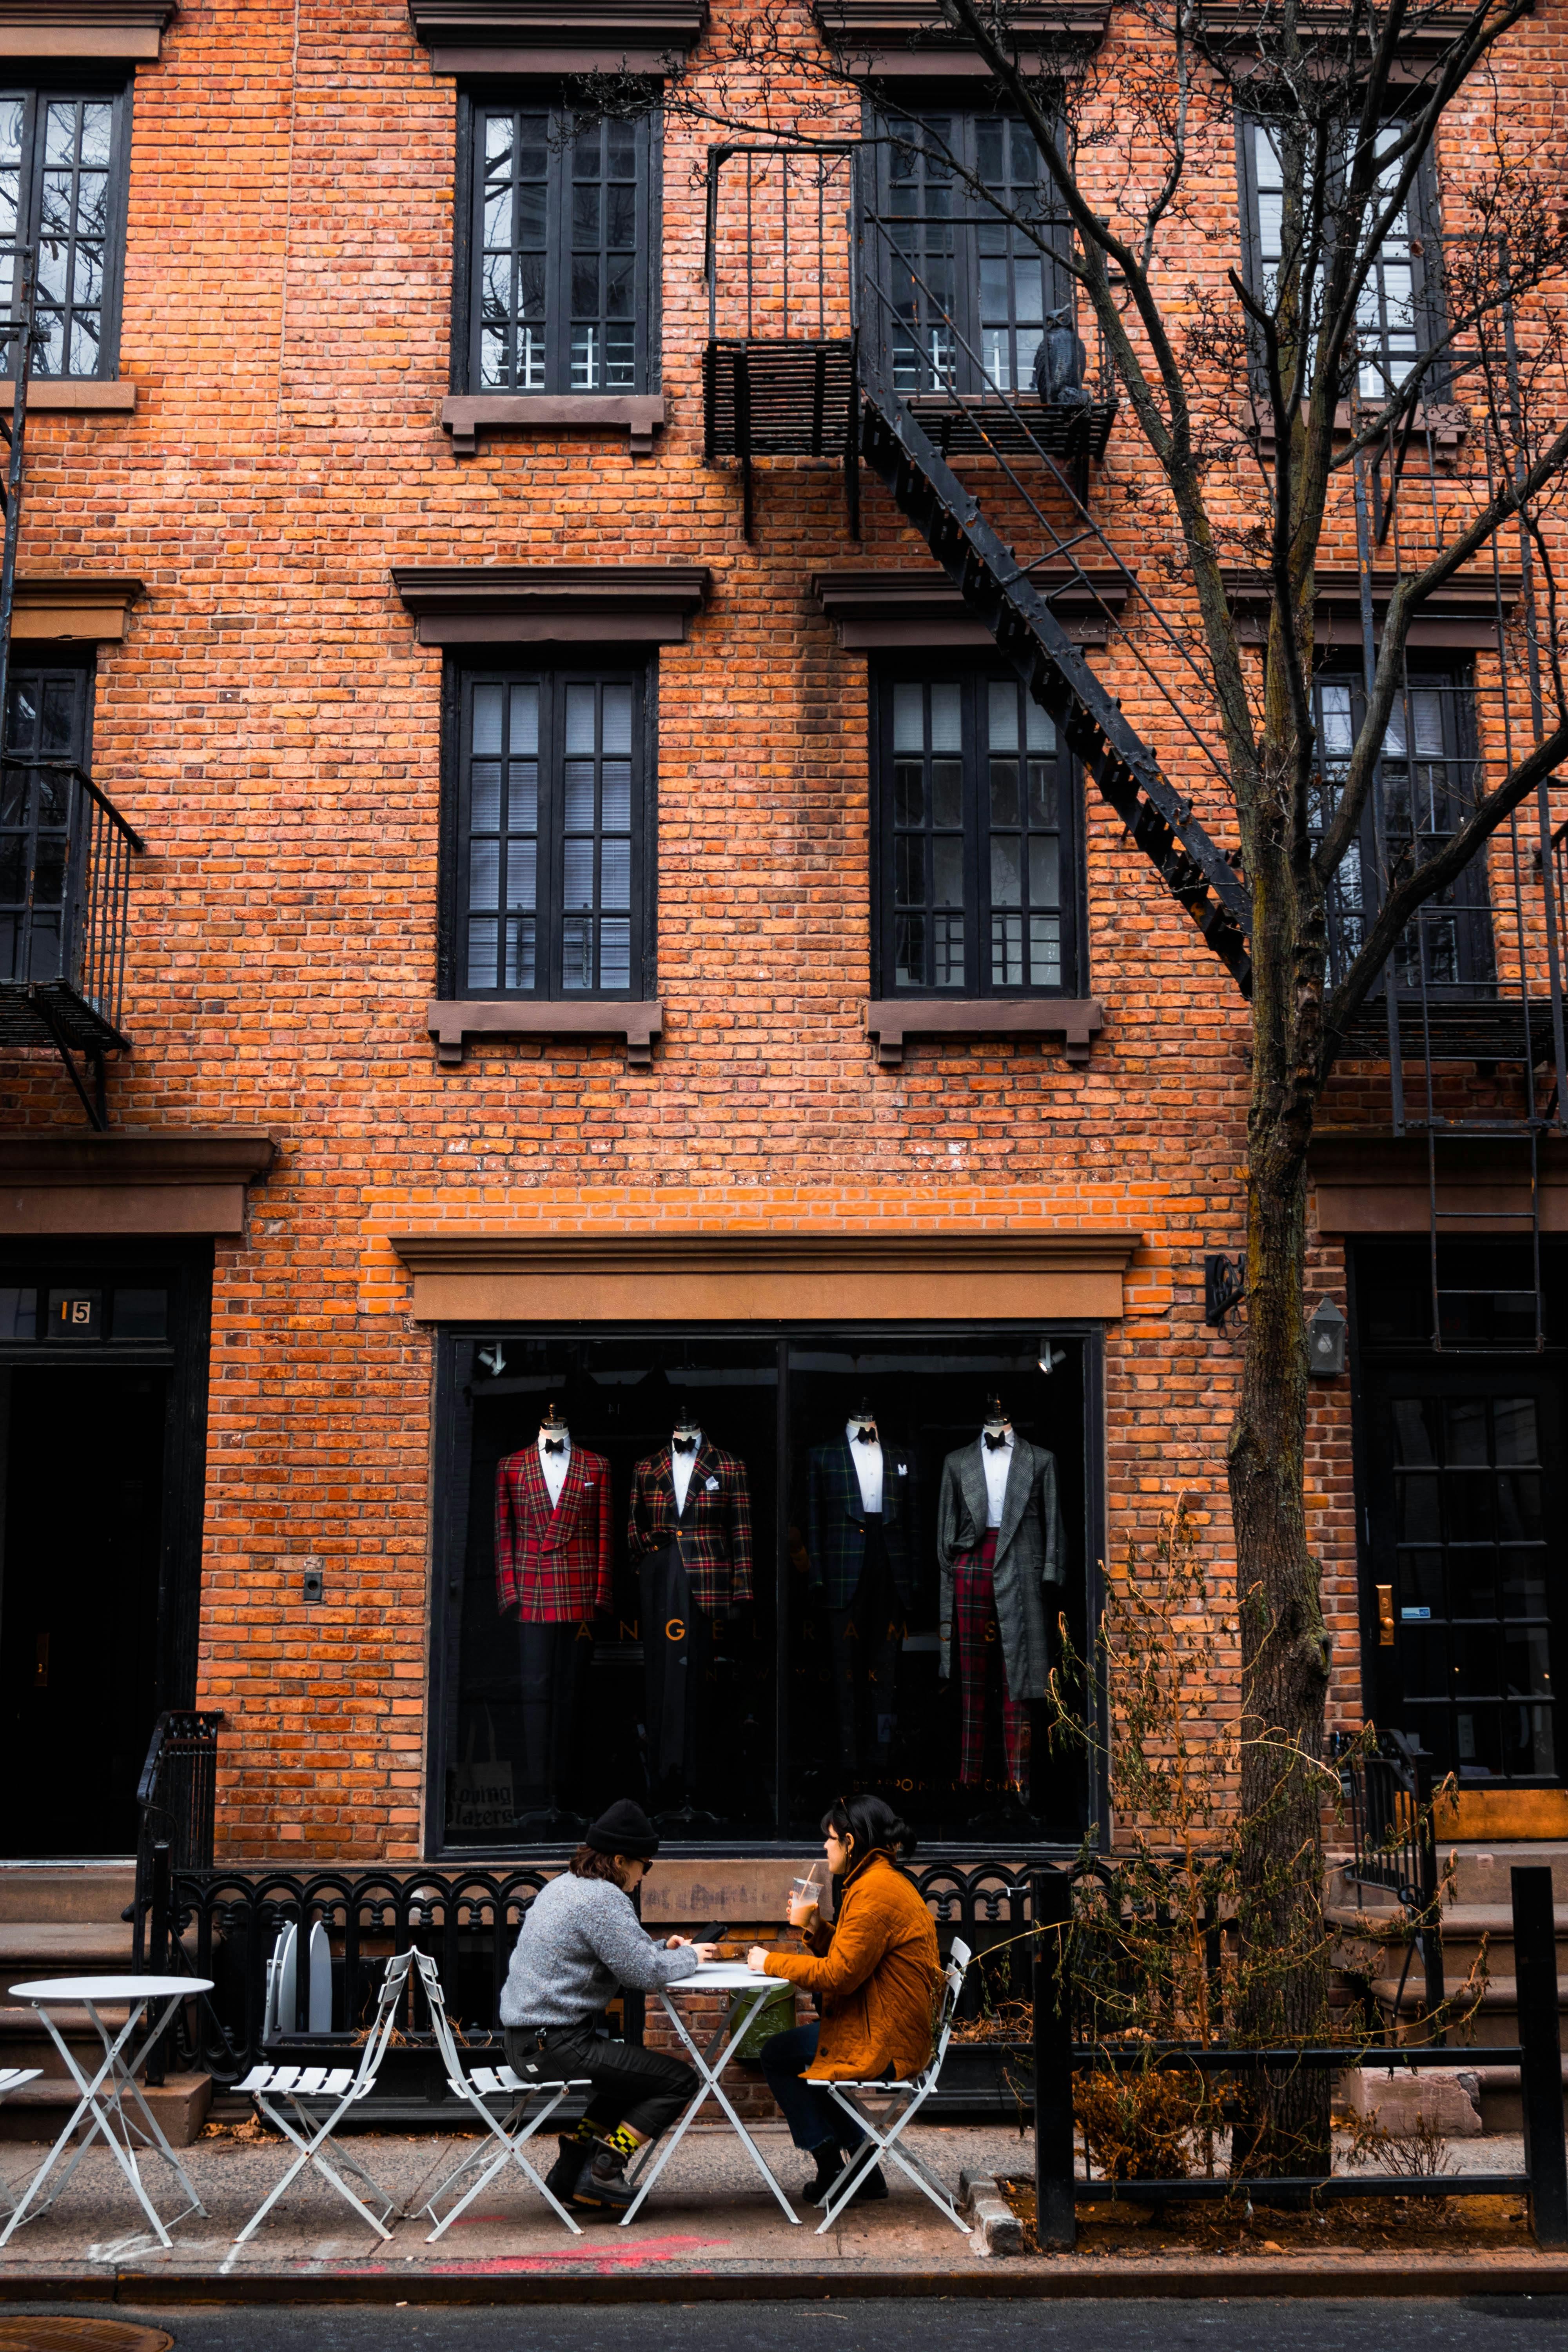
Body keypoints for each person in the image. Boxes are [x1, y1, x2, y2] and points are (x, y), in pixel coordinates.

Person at [500, 1797, 718, 2214]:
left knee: (626, 2081)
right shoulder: (603, 1899)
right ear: (620, 1861)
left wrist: (660, 1949)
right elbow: (642, 1975)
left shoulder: (564, 1886)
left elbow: (624, 1957)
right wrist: (692, 1957)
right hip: (556, 2044)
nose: (644, 1874)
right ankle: (605, 2167)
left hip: (529, 2042)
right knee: (678, 2081)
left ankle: (572, 2173)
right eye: (644, 1865)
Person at [750, 1794, 941, 2206]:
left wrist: (769, 1963)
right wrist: (818, 1928)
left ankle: (833, 2166)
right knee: (798, 2056)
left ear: (851, 1842)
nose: (825, 1846)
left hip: (887, 2040)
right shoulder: (876, 1880)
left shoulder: (874, 1891)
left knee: (780, 2054)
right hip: (885, 2026)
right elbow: (854, 1956)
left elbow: (840, 1975)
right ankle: (861, 2165)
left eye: (831, 1839)